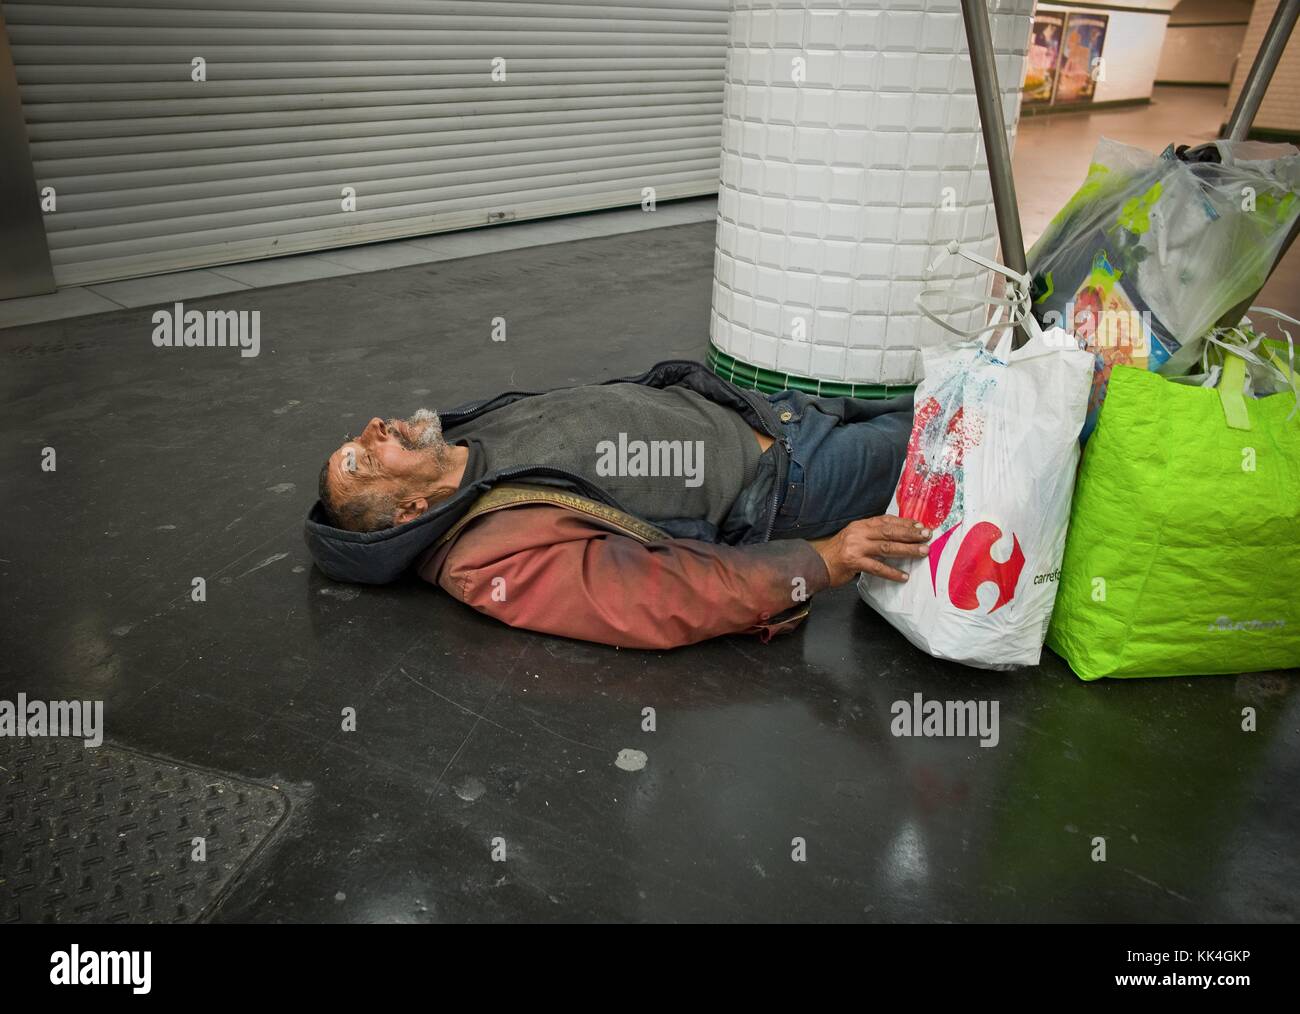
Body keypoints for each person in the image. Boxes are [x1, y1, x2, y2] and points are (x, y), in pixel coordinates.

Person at [304, 361, 927, 649]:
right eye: (362, 458)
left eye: (358, 439)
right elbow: (651, 597)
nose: (373, 427)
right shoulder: (484, 556)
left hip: (769, 413)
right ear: (411, 511)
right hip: (795, 480)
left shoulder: (461, 442)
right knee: (976, 428)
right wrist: (819, 561)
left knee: (939, 402)